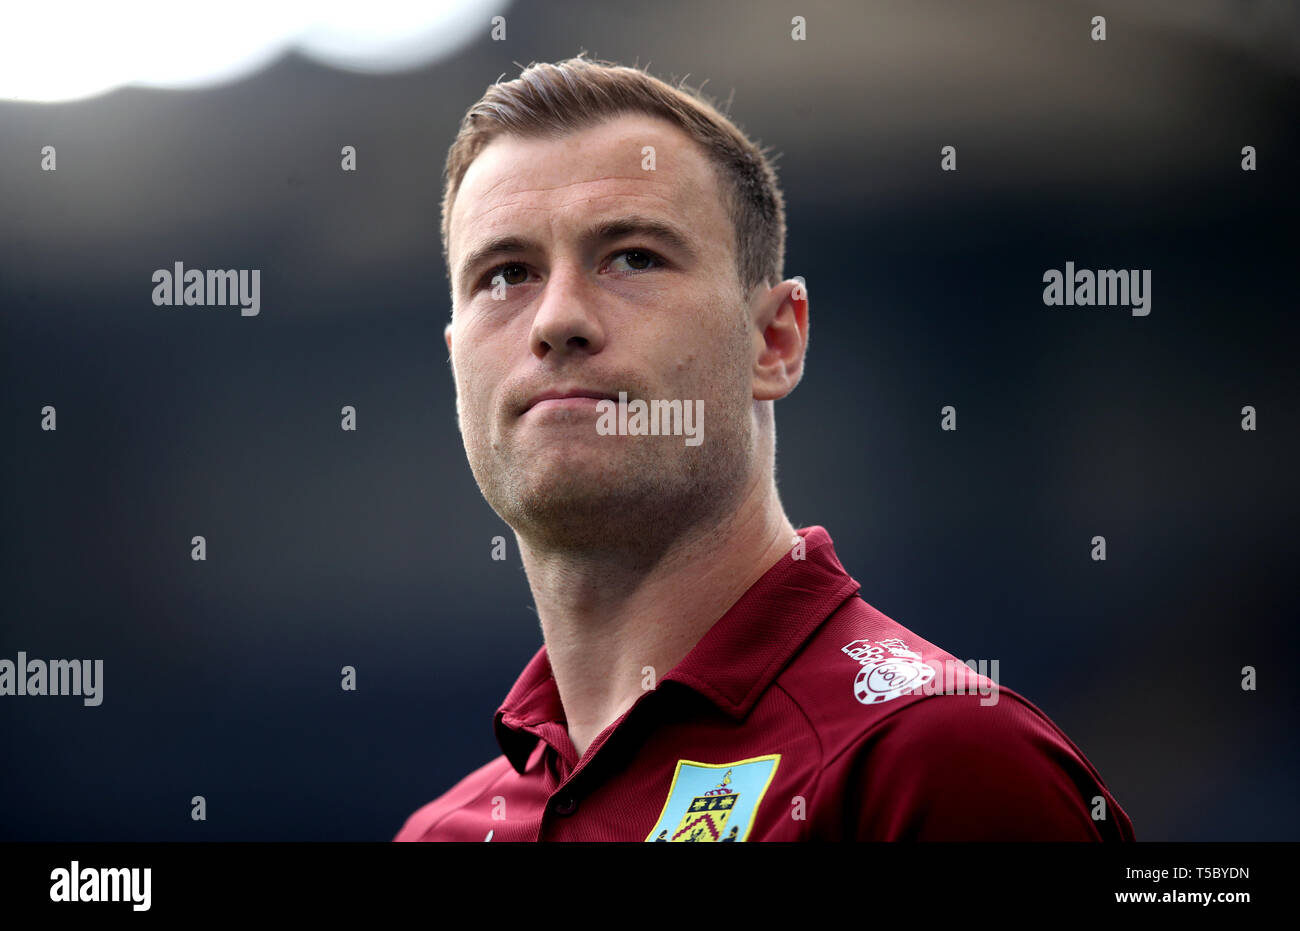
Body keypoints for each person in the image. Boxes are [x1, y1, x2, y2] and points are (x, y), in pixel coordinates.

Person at [394, 54, 1135, 842]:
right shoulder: (441, 833)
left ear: (774, 340)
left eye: (633, 257)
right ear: (454, 358)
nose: (556, 319)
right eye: (506, 274)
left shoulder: (938, 763)